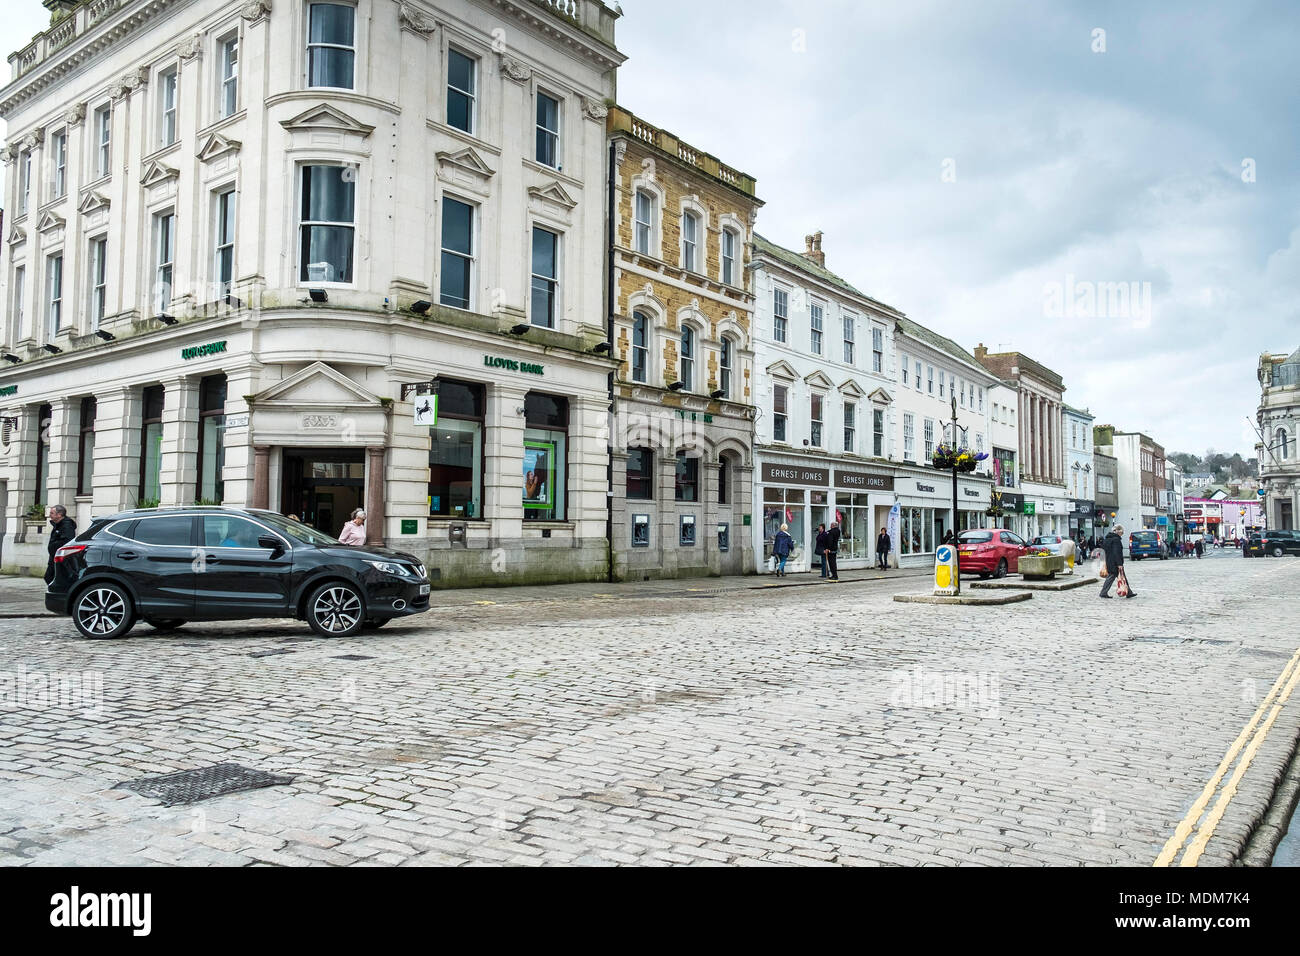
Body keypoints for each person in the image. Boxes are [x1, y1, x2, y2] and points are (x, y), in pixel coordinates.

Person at [1100, 524, 1136, 599]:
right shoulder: (1116, 540)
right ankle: (1103, 592)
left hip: (1109, 561)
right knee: (1111, 577)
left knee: (1123, 577)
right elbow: (1117, 553)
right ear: (1118, 532)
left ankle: (1129, 592)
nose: (1122, 535)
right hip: (1115, 563)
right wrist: (1119, 564)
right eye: (1122, 533)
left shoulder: (1106, 539)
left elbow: (1103, 550)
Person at [45, 504, 77, 586]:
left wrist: (53, 547)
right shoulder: (57, 525)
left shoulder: (67, 525)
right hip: (54, 558)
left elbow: (66, 542)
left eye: (52, 513)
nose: (49, 515)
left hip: (62, 559)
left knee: (55, 579)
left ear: (59, 515)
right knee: (49, 577)